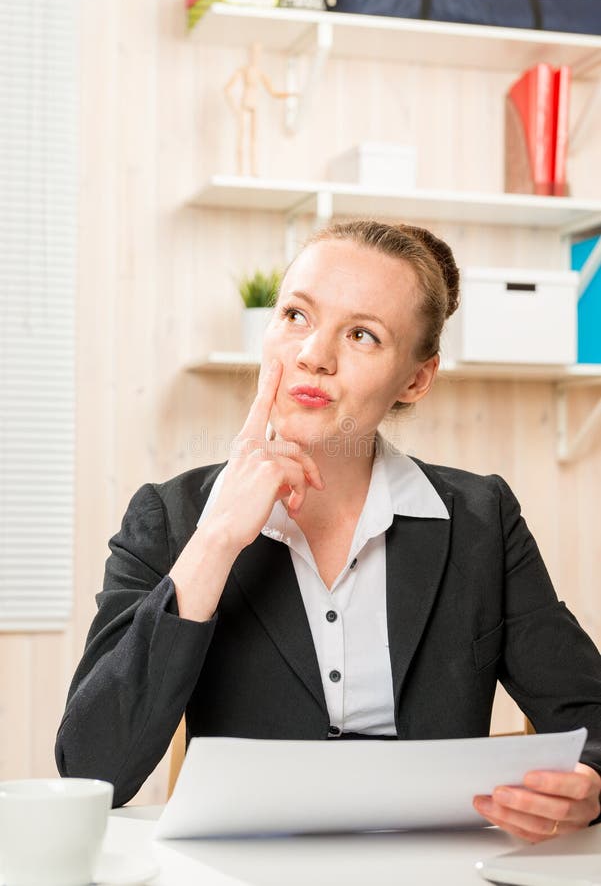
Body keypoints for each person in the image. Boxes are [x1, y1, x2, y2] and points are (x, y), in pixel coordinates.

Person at [56, 220, 601, 841]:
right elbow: (91, 771)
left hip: (432, 868)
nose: (314, 354)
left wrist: (590, 786)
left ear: (417, 378)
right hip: (246, 873)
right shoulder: (170, 518)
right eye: (296, 315)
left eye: (362, 334)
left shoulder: (482, 519)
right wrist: (216, 540)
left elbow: (590, 718)